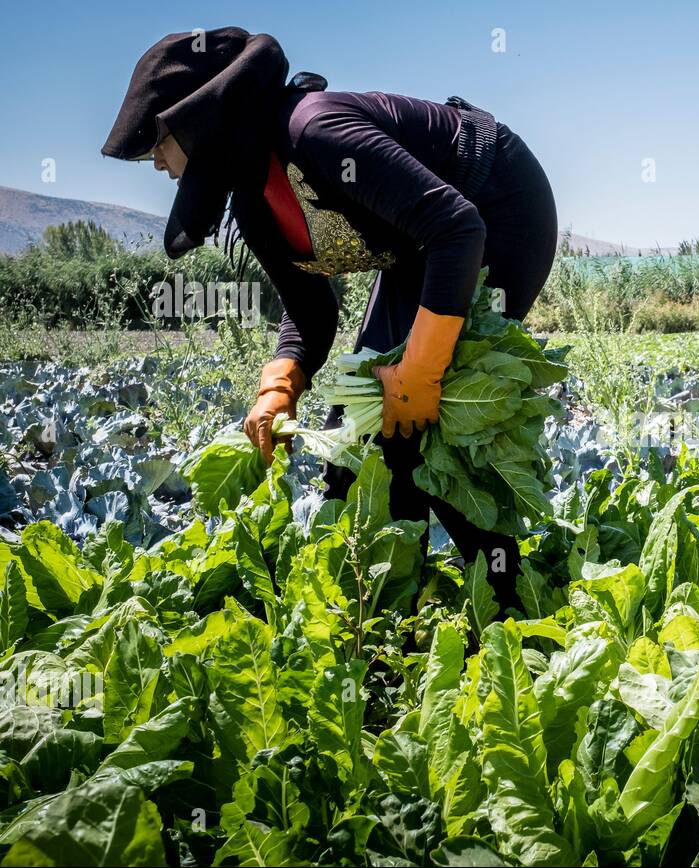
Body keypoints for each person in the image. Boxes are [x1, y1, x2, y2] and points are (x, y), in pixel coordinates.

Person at [102, 28, 557, 611]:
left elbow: (457, 226)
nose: (159, 164)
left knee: (432, 422)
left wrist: (420, 373)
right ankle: (389, 603)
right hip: (427, 248)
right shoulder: (253, 201)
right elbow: (310, 312)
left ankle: (509, 608)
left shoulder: (314, 130)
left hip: (498, 205)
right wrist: (280, 385)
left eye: (158, 144)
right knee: (354, 439)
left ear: (200, 118)